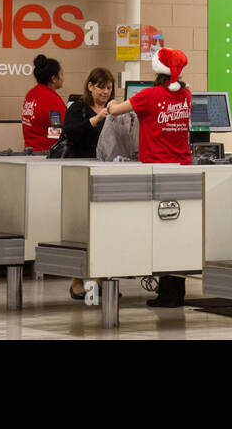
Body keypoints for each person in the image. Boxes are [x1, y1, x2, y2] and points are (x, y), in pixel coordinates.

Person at [106, 47, 192, 307]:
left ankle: (167, 295)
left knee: (162, 231)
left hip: (157, 171)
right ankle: (176, 290)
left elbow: (115, 111)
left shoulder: (148, 95)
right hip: (182, 169)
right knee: (179, 233)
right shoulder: (186, 94)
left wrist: (110, 103)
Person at [62, 67, 114, 301]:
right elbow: (71, 134)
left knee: (105, 229)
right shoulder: (77, 109)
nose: (105, 91)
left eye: (109, 87)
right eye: (101, 86)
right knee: (82, 229)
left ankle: (102, 279)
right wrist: (97, 118)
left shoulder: (114, 109)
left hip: (106, 172)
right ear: (90, 86)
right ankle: (76, 281)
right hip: (80, 171)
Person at [22, 54, 66, 153]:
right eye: (62, 74)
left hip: (29, 151)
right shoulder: (52, 100)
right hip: (45, 153)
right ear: (54, 78)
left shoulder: (30, 94)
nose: (63, 78)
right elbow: (58, 131)